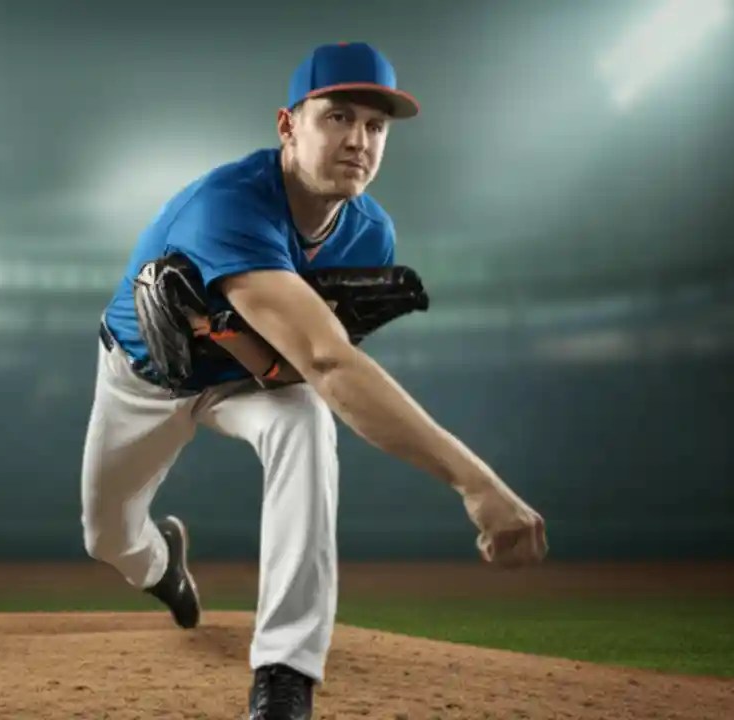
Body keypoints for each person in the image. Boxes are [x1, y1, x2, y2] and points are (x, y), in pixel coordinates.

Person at [79, 41, 548, 720]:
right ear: (287, 125)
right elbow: (328, 363)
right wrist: (479, 484)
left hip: (250, 384)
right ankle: (163, 568)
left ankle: (285, 673)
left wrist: (257, 350)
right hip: (142, 380)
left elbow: (314, 372)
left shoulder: (369, 237)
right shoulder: (228, 206)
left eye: (376, 126)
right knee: (106, 536)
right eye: (338, 116)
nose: (359, 139)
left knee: (306, 421)